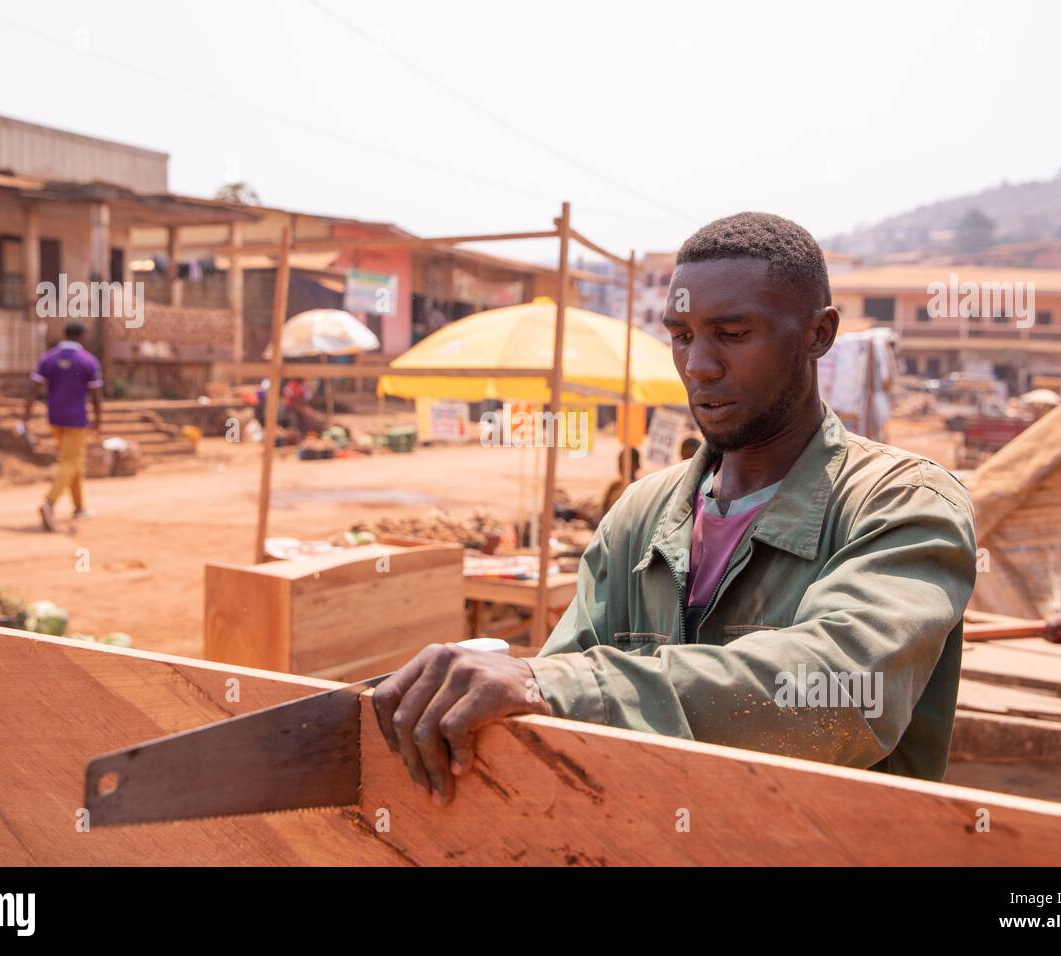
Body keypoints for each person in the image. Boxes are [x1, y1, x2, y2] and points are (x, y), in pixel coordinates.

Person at [370, 212, 976, 805]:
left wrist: (561, 686)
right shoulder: (639, 515)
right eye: (681, 336)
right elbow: (556, 705)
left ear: (819, 334)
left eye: (732, 334)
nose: (698, 365)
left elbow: (840, 691)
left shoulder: (902, 503)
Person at [24, 321, 103, 531]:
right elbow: (96, 395)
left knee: (73, 461)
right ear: (82, 336)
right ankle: (49, 503)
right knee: (71, 461)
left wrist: (26, 416)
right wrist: (98, 420)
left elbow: (33, 388)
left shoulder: (48, 358)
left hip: (55, 417)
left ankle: (79, 507)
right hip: (76, 419)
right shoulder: (88, 360)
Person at [600, 447, 641, 517]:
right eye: (621, 463)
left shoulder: (641, 488)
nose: (622, 466)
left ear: (637, 465)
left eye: (627, 463)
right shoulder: (613, 487)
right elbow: (603, 512)